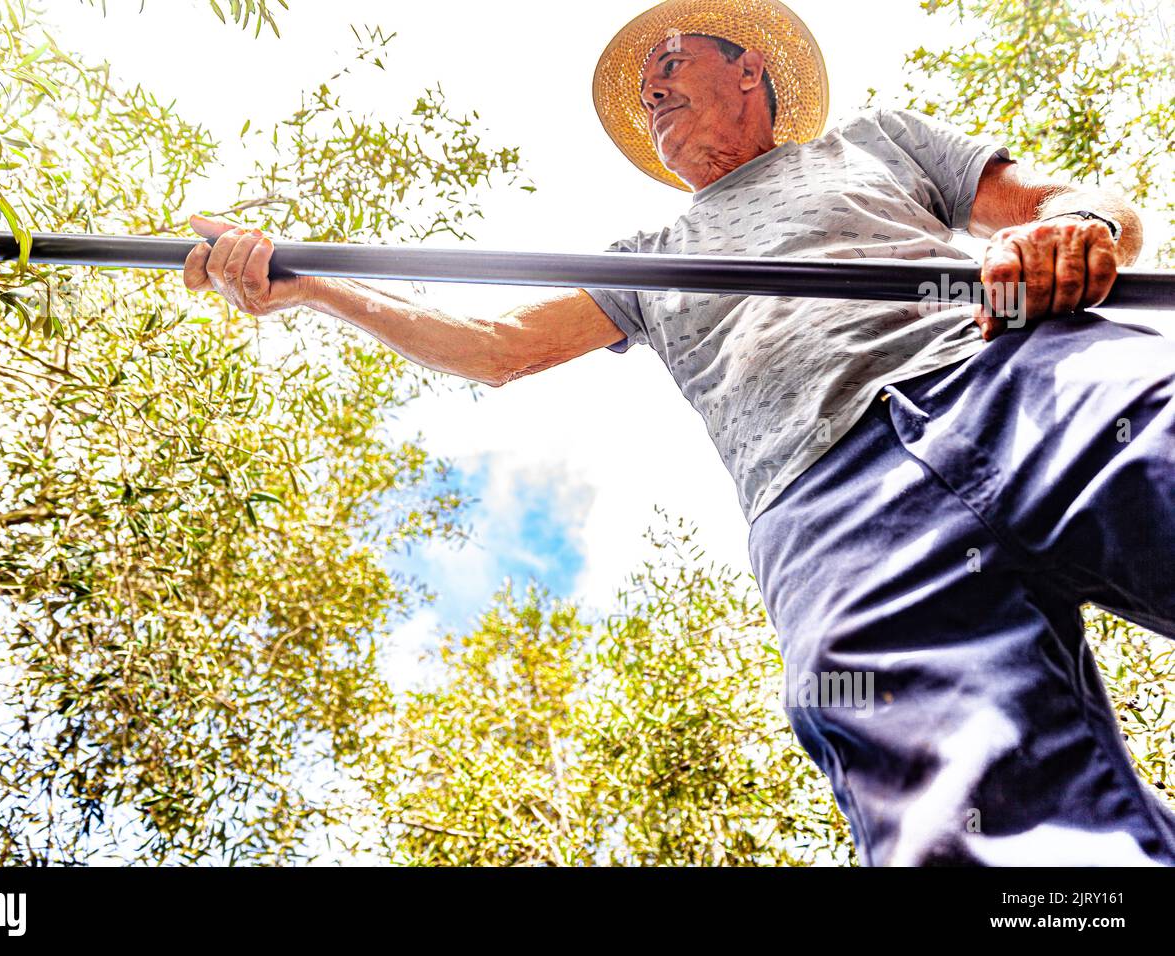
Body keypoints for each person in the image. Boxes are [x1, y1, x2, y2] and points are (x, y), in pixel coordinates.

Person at [184, 0, 1175, 865]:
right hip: (829, 520)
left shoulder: (876, 140)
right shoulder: (649, 257)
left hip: (1014, 381)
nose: (652, 93)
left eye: (670, 64)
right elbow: (495, 345)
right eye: (647, 82)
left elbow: (1082, 208)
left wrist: (1073, 229)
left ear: (751, 70)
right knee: (966, 818)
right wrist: (310, 287)